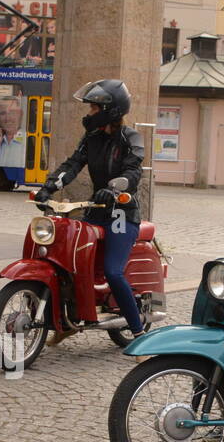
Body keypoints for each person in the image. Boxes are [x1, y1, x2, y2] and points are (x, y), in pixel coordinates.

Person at [34, 79, 146, 342]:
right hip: (97, 210)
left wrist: (114, 189)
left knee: (113, 271)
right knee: (69, 261)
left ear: (111, 110)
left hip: (122, 214)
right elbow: (72, 165)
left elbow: (133, 171)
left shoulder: (132, 138)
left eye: (94, 108)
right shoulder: (92, 138)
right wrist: (48, 187)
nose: (90, 113)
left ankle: (139, 333)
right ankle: (70, 321)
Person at [0, 96, 27, 168]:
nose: (7, 118)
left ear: (20, 115)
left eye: (12, 112)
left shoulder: (29, 142)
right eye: (3, 113)